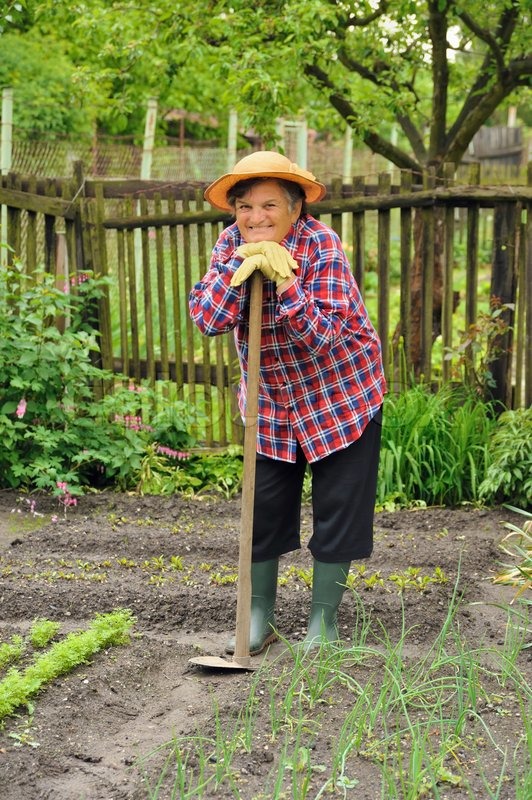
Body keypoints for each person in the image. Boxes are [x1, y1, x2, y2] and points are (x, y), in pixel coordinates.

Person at [189, 151, 386, 654]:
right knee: (265, 509)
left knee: (338, 506)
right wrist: (237, 269)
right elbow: (208, 319)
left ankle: (324, 622)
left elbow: (321, 337)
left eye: (269, 205)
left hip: (339, 396)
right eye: (245, 206)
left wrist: (285, 281)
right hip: (271, 401)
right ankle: (259, 619)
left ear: (296, 208)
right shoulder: (231, 243)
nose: (256, 218)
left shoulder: (321, 246)